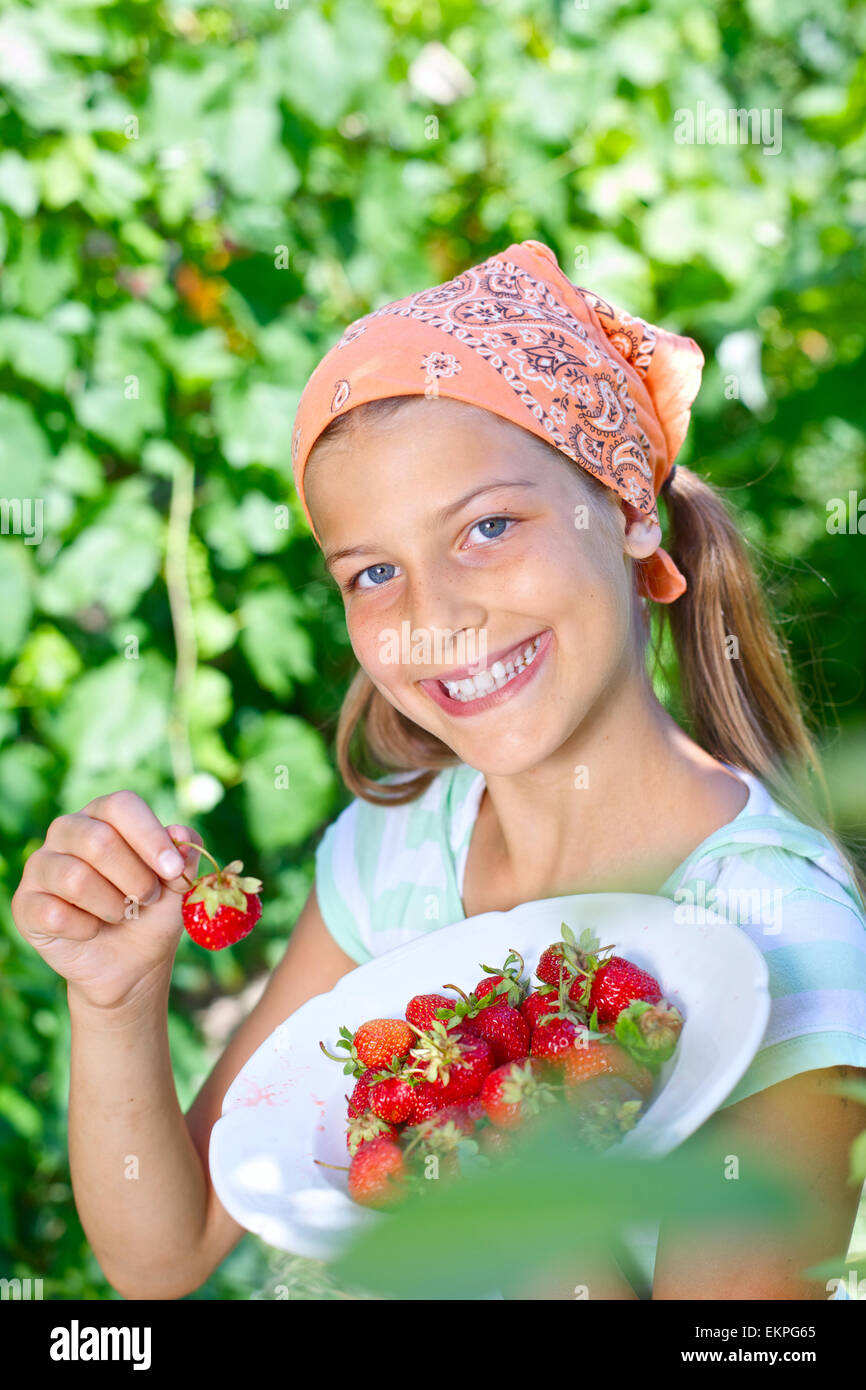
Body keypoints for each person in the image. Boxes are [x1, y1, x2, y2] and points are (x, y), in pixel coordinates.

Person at [11, 240, 866, 1301]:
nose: (432, 619)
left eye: (487, 527)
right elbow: (162, 1247)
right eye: (373, 572)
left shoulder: (780, 935)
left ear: (628, 509)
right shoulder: (402, 845)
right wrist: (114, 998)